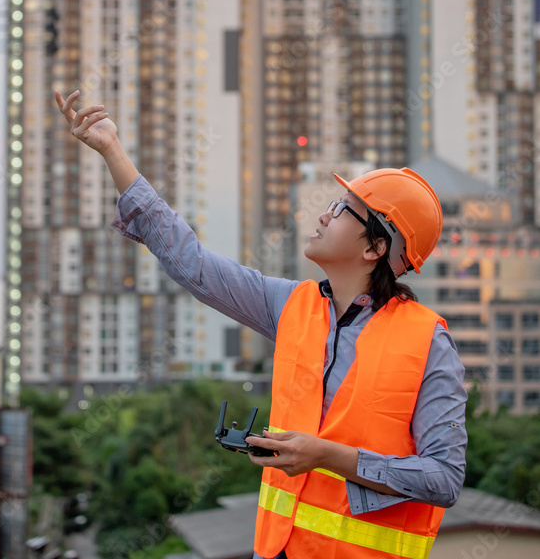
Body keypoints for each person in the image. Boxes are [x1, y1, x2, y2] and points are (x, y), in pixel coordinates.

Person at [55, 89, 468, 559]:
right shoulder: (292, 305)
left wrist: (328, 456)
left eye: (340, 209)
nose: (322, 214)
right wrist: (112, 149)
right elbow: (193, 264)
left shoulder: (427, 341)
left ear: (374, 249)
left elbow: (444, 478)